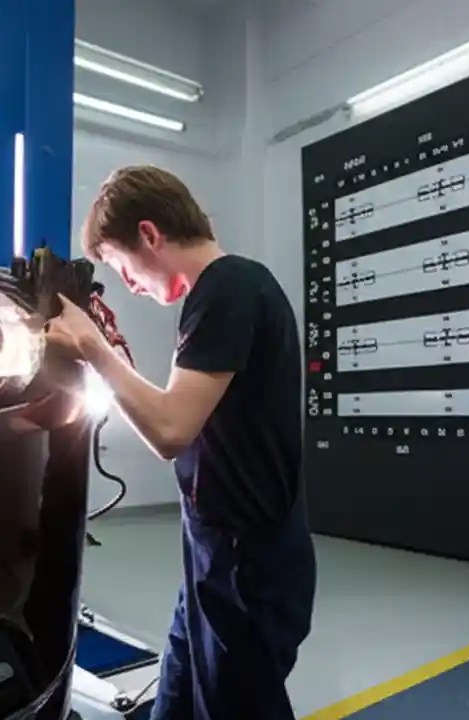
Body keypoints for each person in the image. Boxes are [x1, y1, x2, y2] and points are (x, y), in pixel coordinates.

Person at [45, 165, 316, 719]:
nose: (131, 286)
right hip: (213, 550)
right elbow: (173, 418)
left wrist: (95, 350)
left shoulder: (229, 288)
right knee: (175, 699)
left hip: (248, 564)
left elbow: (170, 430)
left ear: (149, 235)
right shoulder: (221, 294)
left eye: (124, 267)